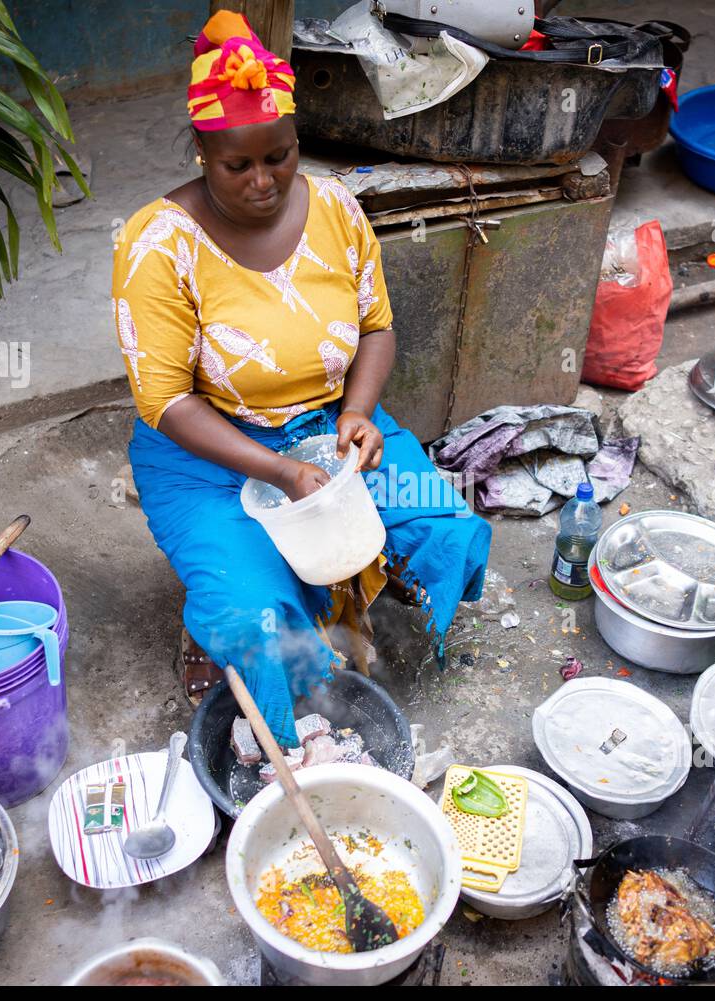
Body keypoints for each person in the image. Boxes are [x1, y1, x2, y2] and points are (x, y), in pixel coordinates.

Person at [112, 11, 490, 747]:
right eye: (238, 166)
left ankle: (353, 582)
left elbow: (376, 326)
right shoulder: (157, 246)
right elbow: (167, 400)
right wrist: (279, 470)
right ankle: (237, 626)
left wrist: (358, 412)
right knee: (253, 618)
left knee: (448, 528)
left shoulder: (335, 210)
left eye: (279, 157)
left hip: (323, 431)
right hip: (209, 457)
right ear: (201, 153)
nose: (264, 182)